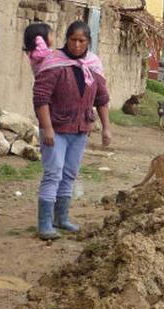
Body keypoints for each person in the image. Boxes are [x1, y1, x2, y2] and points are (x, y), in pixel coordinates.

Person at [32, 20, 111, 240]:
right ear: (66, 39)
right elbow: (41, 98)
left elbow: (102, 99)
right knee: (53, 173)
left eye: (82, 41)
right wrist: (47, 128)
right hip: (56, 129)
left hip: (80, 129)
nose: (77, 45)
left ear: (88, 42)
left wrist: (106, 128)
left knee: (69, 174)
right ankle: (44, 224)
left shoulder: (93, 65)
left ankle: (62, 218)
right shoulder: (54, 63)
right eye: (73, 40)